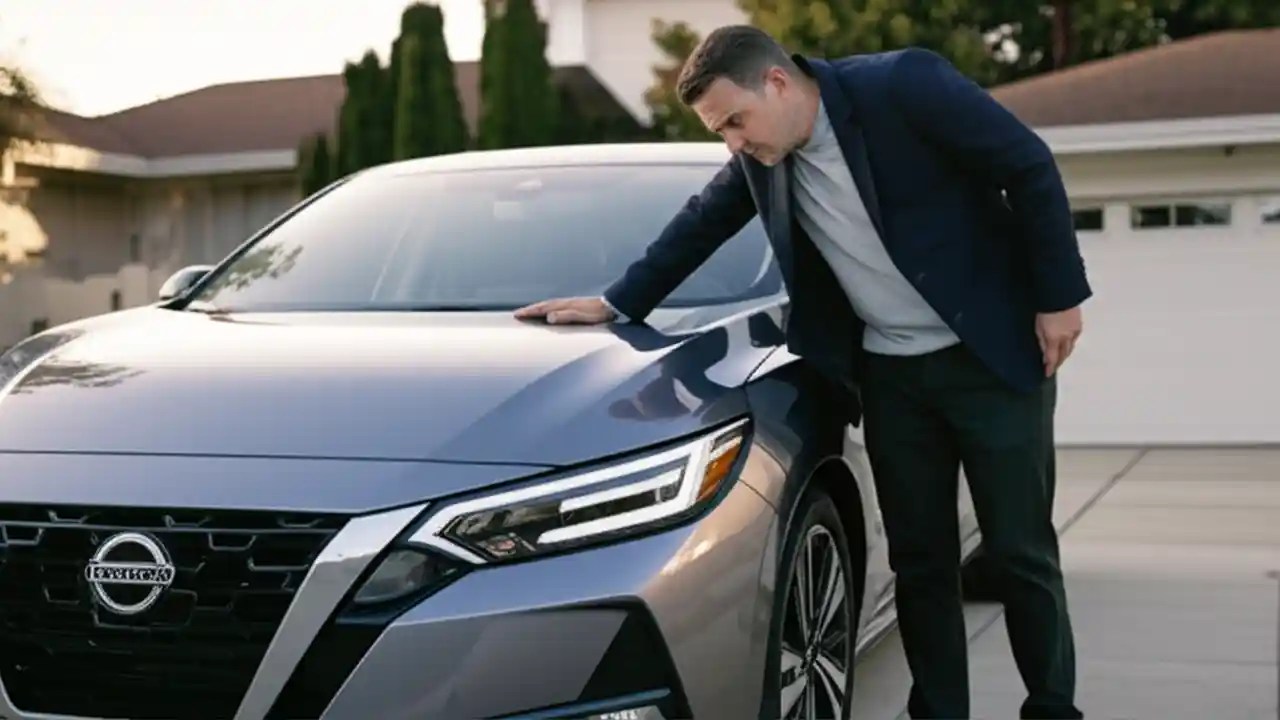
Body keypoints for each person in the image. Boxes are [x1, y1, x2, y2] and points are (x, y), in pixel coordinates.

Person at [514, 24, 1089, 720]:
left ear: (778, 83)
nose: (731, 141)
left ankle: (1054, 709)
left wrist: (1059, 297)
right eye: (718, 129)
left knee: (1020, 553)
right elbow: (700, 223)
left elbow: (1026, 164)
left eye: (734, 119)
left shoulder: (904, 85)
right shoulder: (763, 155)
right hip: (892, 377)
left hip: (991, 360)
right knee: (921, 563)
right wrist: (614, 302)